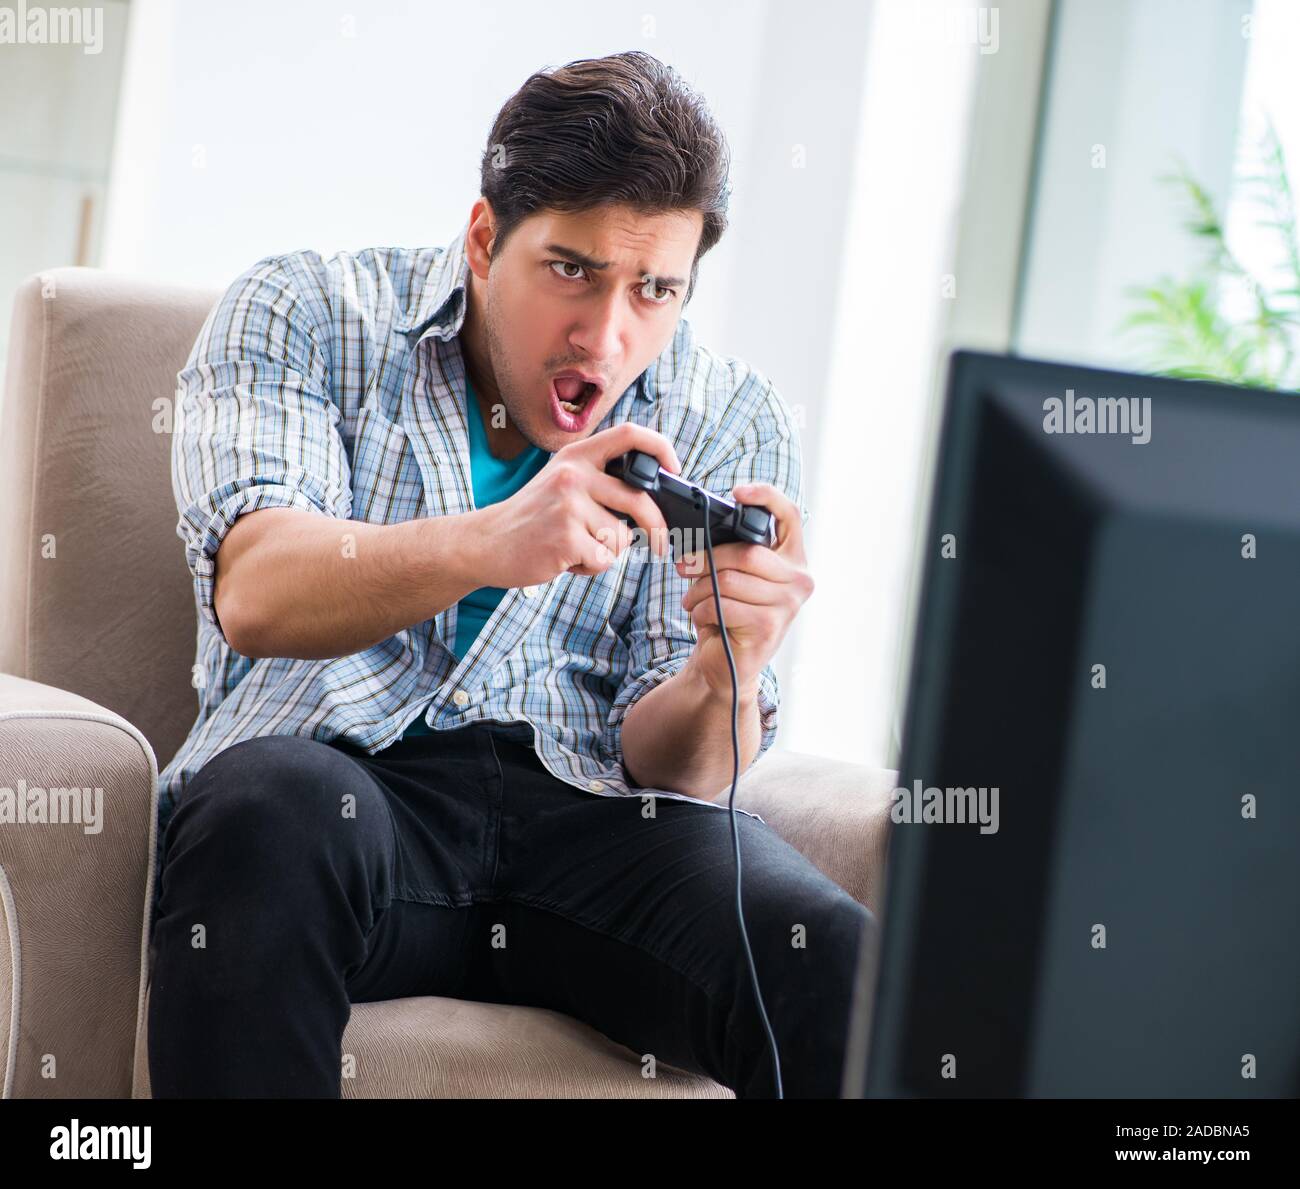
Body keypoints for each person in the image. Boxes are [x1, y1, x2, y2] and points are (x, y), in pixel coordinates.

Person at [147, 49, 874, 1099]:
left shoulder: (728, 413)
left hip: (589, 822)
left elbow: (678, 771)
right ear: (484, 239)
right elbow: (257, 588)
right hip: (351, 796)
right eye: (572, 269)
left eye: (656, 289)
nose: (608, 333)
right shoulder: (304, 308)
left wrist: (725, 671)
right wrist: (495, 538)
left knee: (834, 964)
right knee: (269, 811)